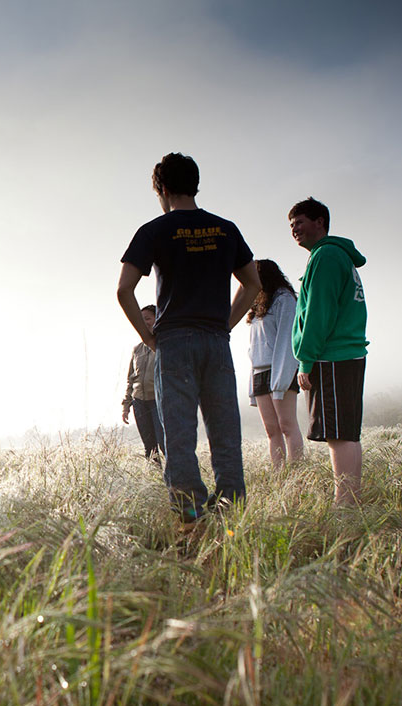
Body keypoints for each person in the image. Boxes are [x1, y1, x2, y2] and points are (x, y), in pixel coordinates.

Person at [117, 153, 260, 524]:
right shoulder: (226, 229)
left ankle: (191, 521)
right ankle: (231, 519)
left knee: (179, 439)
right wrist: (225, 325)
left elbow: (124, 290)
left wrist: (149, 338)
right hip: (215, 341)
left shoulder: (155, 230)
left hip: (174, 343)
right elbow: (253, 284)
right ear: (195, 184)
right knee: (225, 434)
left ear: (162, 189)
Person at [288, 197, 368, 505]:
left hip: (331, 355)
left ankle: (344, 503)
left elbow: (318, 314)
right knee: (345, 432)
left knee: (337, 434)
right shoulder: (336, 256)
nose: (295, 229)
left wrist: (306, 360)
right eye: (291, 225)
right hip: (345, 353)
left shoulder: (326, 257)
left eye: (300, 222)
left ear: (320, 221)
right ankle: (351, 499)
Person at [246, 259, 304, 469]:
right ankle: (279, 476)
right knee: (271, 430)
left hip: (281, 369)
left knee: (287, 425)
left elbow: (287, 341)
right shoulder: (258, 304)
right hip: (260, 371)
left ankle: (297, 473)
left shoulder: (284, 299)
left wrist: (281, 379)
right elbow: (254, 347)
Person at [121, 304, 164, 461]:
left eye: (148, 318)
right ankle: (155, 481)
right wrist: (126, 405)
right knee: (149, 447)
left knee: (164, 444)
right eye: (141, 319)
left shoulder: (164, 344)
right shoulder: (137, 349)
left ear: (157, 319)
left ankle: (175, 481)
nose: (144, 322)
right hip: (139, 403)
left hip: (159, 402)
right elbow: (131, 378)